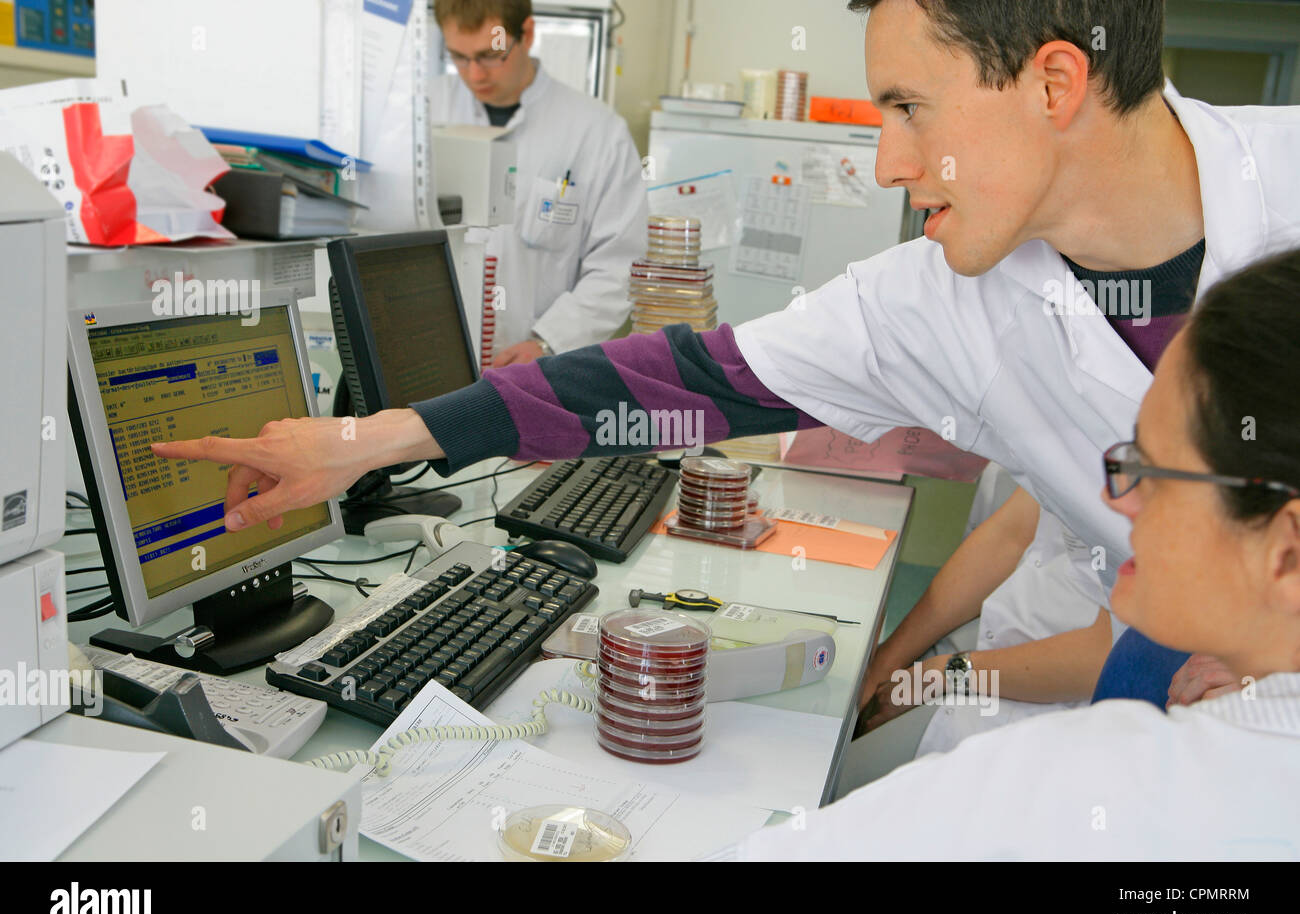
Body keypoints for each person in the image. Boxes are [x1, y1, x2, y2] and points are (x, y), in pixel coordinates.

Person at [153, 0, 1300, 721]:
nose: (888, 161)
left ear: (1053, 83)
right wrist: (369, 440)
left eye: (907, 107)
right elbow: (680, 379)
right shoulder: (935, 295)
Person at [731, 248, 1300, 860]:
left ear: (1286, 553)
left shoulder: (1110, 789)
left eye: (1158, 476)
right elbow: (1009, 533)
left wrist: (940, 675)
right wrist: (896, 663)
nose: (1116, 503)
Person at [432, 0, 648, 365]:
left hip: (542, 370)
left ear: (527, 34)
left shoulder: (596, 131)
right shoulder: (421, 109)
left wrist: (550, 342)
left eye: (489, 55)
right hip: (434, 360)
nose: (474, 74)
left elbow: (621, 262)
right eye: (458, 57)